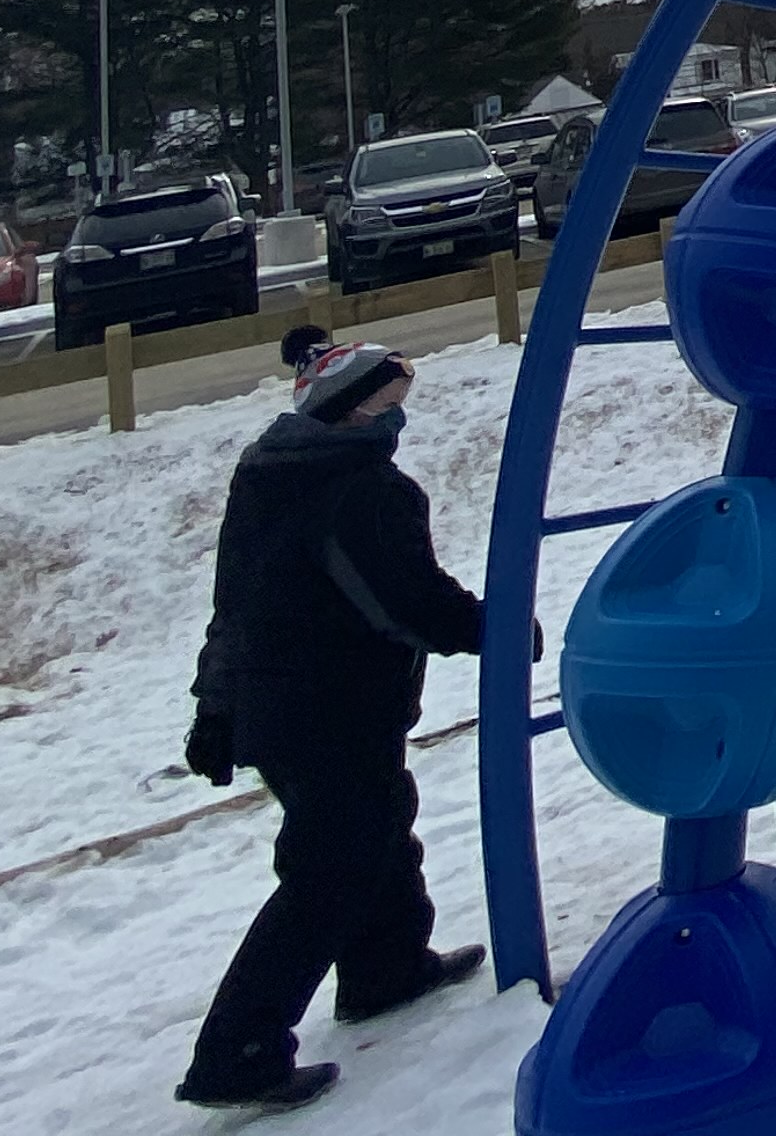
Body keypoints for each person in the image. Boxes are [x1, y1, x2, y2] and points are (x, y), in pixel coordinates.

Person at [179, 345, 490, 1112]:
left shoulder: (269, 477)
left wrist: (217, 708)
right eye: (389, 400)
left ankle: (386, 969)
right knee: (328, 869)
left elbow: (235, 607)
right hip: (329, 709)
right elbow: (407, 601)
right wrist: (500, 627)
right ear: (350, 409)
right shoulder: (362, 489)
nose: (399, 414)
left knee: (378, 826)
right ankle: (238, 1052)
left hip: (286, 709)